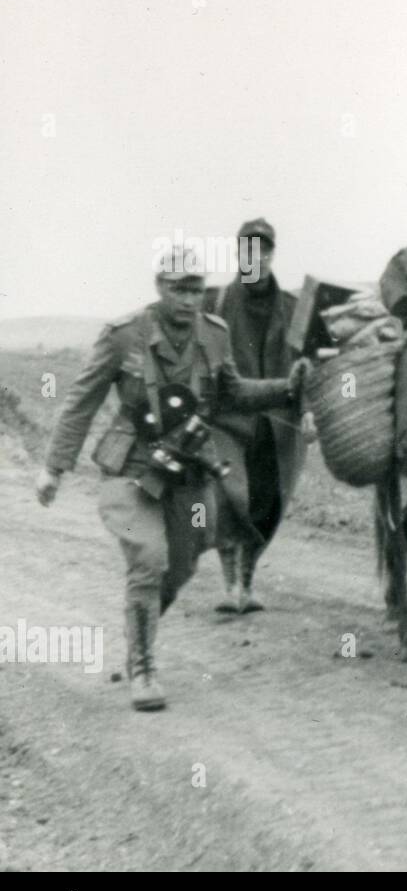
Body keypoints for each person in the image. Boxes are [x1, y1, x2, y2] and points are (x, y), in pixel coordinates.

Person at [35, 251, 310, 711]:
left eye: (196, 289)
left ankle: (139, 629)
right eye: (179, 289)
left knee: (182, 562)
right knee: (149, 556)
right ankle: (143, 667)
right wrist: (53, 468)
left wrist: (287, 388)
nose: (188, 299)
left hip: (188, 472)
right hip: (131, 470)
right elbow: (81, 400)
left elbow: (231, 393)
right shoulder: (124, 336)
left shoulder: (213, 336)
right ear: (160, 287)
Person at [204, 218, 308, 613]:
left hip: (279, 424)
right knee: (233, 497)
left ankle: (247, 583)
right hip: (228, 420)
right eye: (248, 249)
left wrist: (310, 411)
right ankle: (230, 586)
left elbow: (309, 363)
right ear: (238, 254)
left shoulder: (295, 309)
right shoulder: (213, 305)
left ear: (271, 255)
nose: (256, 257)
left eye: (263, 250)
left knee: (268, 504)